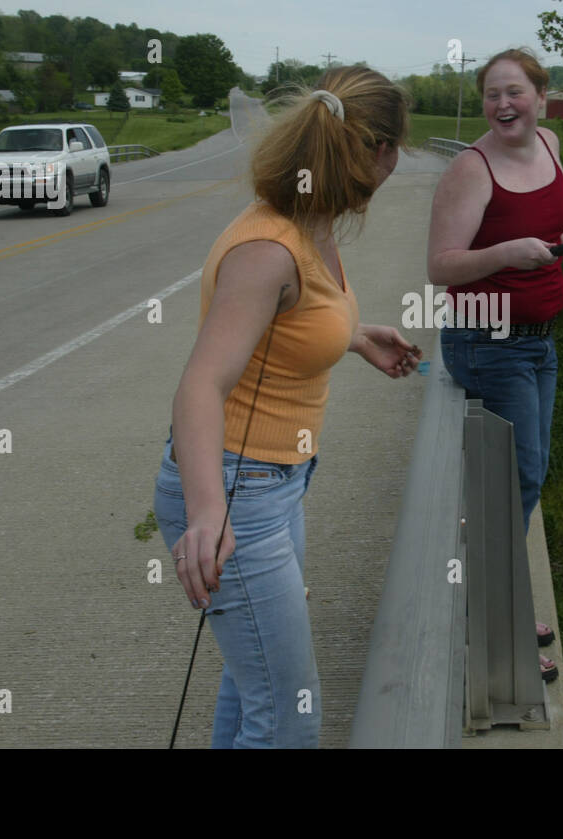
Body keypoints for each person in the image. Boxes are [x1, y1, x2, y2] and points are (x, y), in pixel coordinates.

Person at [154, 66, 422, 748]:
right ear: (383, 155)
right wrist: (209, 510)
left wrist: (357, 337)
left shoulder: (312, 223)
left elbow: (290, 325)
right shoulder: (269, 249)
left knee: (258, 694)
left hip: (278, 481)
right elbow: (200, 384)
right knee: (292, 719)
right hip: (238, 489)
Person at [427, 48, 563, 681]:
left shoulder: (547, 146)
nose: (503, 105)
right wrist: (500, 254)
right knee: (512, 483)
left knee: (530, 474)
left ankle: (500, 601)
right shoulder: (471, 169)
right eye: (492, 95)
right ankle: (495, 637)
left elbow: (557, 232)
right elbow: (440, 267)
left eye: (515, 92)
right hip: (487, 342)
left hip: (538, 342)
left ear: (542, 98)